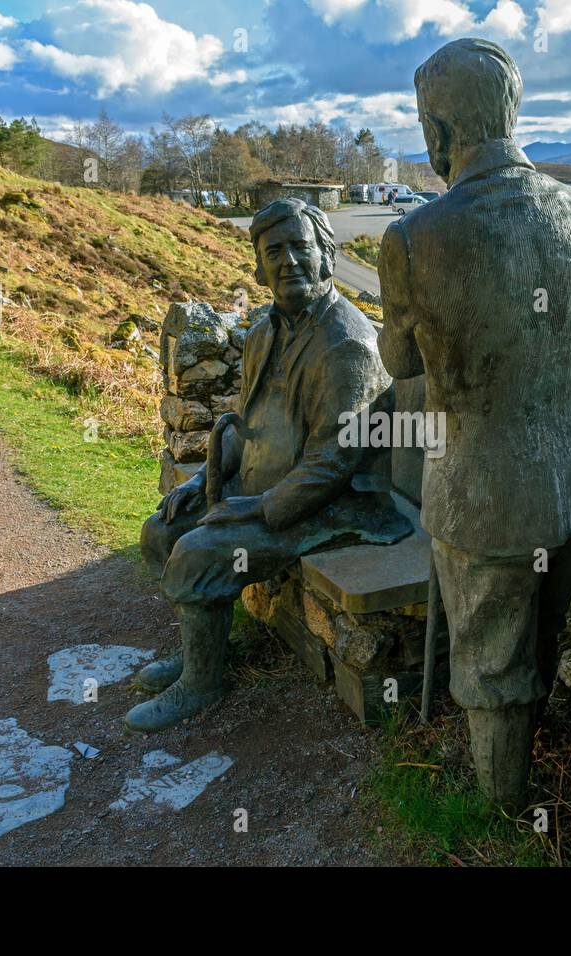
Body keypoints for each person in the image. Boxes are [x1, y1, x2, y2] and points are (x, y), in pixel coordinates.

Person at [377, 38, 571, 810]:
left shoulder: (414, 237)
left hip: (486, 490)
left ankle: (499, 813)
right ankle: (534, 758)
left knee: (490, 663)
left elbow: (399, 367)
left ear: (438, 132)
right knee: (543, 628)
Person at [128, 198, 411, 732]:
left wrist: (254, 509)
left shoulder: (348, 345)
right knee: (160, 532)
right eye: (274, 252)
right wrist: (206, 480)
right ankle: (199, 655)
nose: (289, 262)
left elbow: (333, 462)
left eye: (301, 247)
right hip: (262, 486)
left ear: (327, 256)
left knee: (196, 553)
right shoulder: (263, 334)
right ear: (259, 267)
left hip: (333, 504)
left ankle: (202, 684)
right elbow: (247, 422)